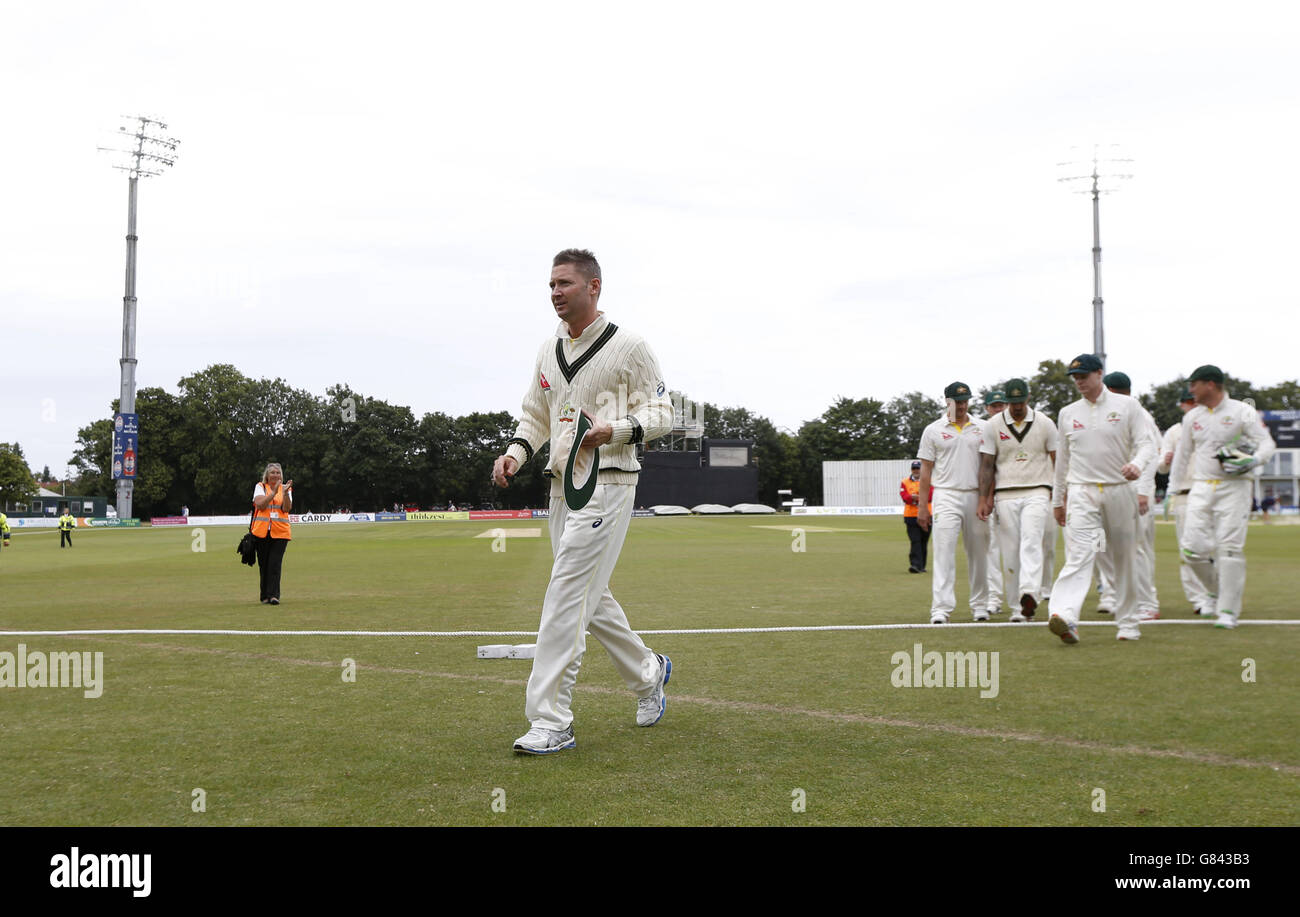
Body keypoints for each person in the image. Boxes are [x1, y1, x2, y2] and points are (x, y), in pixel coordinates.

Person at [492, 248, 675, 755]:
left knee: (565, 596)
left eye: (565, 284)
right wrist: (514, 454)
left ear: (594, 287)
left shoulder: (630, 346)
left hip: (610, 482)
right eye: (551, 284)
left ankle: (550, 719)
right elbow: (535, 414)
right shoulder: (548, 349)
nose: (555, 293)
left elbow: (664, 413)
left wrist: (614, 430)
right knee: (589, 599)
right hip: (560, 486)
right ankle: (648, 672)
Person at [1047, 354, 1158, 644]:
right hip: (1082, 491)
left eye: (1084, 376)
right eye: (1076, 378)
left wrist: (1137, 464)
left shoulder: (1128, 406)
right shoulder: (1068, 412)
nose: (1079, 382)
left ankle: (1129, 623)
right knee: (1080, 555)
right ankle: (1065, 616)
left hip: (1120, 489)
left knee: (1124, 558)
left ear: (1099, 373)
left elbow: (1147, 445)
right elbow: (1063, 461)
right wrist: (1058, 500)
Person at [1170, 364, 1277, 629]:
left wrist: (1252, 460)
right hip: (1202, 486)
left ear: (1210, 384)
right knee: (1192, 549)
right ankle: (1214, 590)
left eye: (1194, 384)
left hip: (1235, 486)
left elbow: (1267, 443)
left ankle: (1228, 611)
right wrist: (1172, 491)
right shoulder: (1192, 417)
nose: (1190, 390)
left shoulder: (1243, 412)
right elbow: (1182, 457)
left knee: (1229, 550)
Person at [977, 378, 1058, 622]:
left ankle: (1029, 592)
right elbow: (987, 465)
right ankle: (1018, 609)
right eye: (1013, 403)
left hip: (1038, 490)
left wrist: (1061, 492)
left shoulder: (1045, 423)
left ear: (1028, 398)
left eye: (1020, 402)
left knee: (1032, 540)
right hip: (1005, 493)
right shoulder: (992, 425)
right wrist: (984, 498)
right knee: (1010, 551)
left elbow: (1058, 459)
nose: (1017, 407)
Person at [916, 381, 989, 624]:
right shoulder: (933, 430)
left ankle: (980, 605)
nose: (962, 405)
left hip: (975, 494)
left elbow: (990, 467)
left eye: (965, 400)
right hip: (946, 494)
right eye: (957, 401)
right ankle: (941, 609)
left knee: (979, 553)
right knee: (944, 552)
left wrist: (986, 498)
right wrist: (923, 507)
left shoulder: (983, 427)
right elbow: (925, 472)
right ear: (947, 401)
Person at [1095, 371, 1161, 621]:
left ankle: (1147, 602)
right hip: (1110, 490)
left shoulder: (1138, 413)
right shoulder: (1111, 414)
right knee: (1100, 543)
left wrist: (1143, 491)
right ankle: (1114, 594)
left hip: (1135, 491)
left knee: (1135, 549)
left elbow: (1151, 453)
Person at [1157, 388, 1214, 614]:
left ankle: (1216, 593)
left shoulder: (1213, 427)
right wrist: (1166, 460)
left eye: (1195, 402)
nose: (1192, 406)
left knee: (1212, 548)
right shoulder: (1174, 432)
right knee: (1188, 550)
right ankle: (1199, 599)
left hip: (1211, 491)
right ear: (1182, 405)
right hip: (1183, 496)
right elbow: (1160, 466)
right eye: (1188, 402)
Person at [981, 390, 1008, 616]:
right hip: (991, 498)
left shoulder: (1017, 429)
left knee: (1016, 547)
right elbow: (986, 468)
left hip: (1014, 495)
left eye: (1002, 405)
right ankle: (994, 598)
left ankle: (1023, 595)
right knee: (990, 549)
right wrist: (986, 497)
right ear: (987, 409)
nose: (998, 409)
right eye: (994, 406)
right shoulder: (983, 431)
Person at [252, 463, 293, 605]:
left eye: (278, 472)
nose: (275, 475)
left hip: (280, 532)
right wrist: (273, 493)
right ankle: (264, 596)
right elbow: (260, 505)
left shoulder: (286, 488)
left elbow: (287, 508)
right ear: (267, 475)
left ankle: (274, 595)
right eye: (272, 473)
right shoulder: (260, 487)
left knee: (275, 564)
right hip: (262, 532)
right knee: (264, 565)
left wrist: (286, 493)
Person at [900, 460, 932, 573]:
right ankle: (915, 564)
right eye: (914, 469)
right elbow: (904, 497)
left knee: (924, 541)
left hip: (927, 514)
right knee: (915, 540)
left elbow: (930, 496)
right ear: (911, 470)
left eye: (918, 468)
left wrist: (916, 497)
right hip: (911, 515)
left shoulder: (929, 480)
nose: (916, 471)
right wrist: (914, 498)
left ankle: (922, 565)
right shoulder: (905, 482)